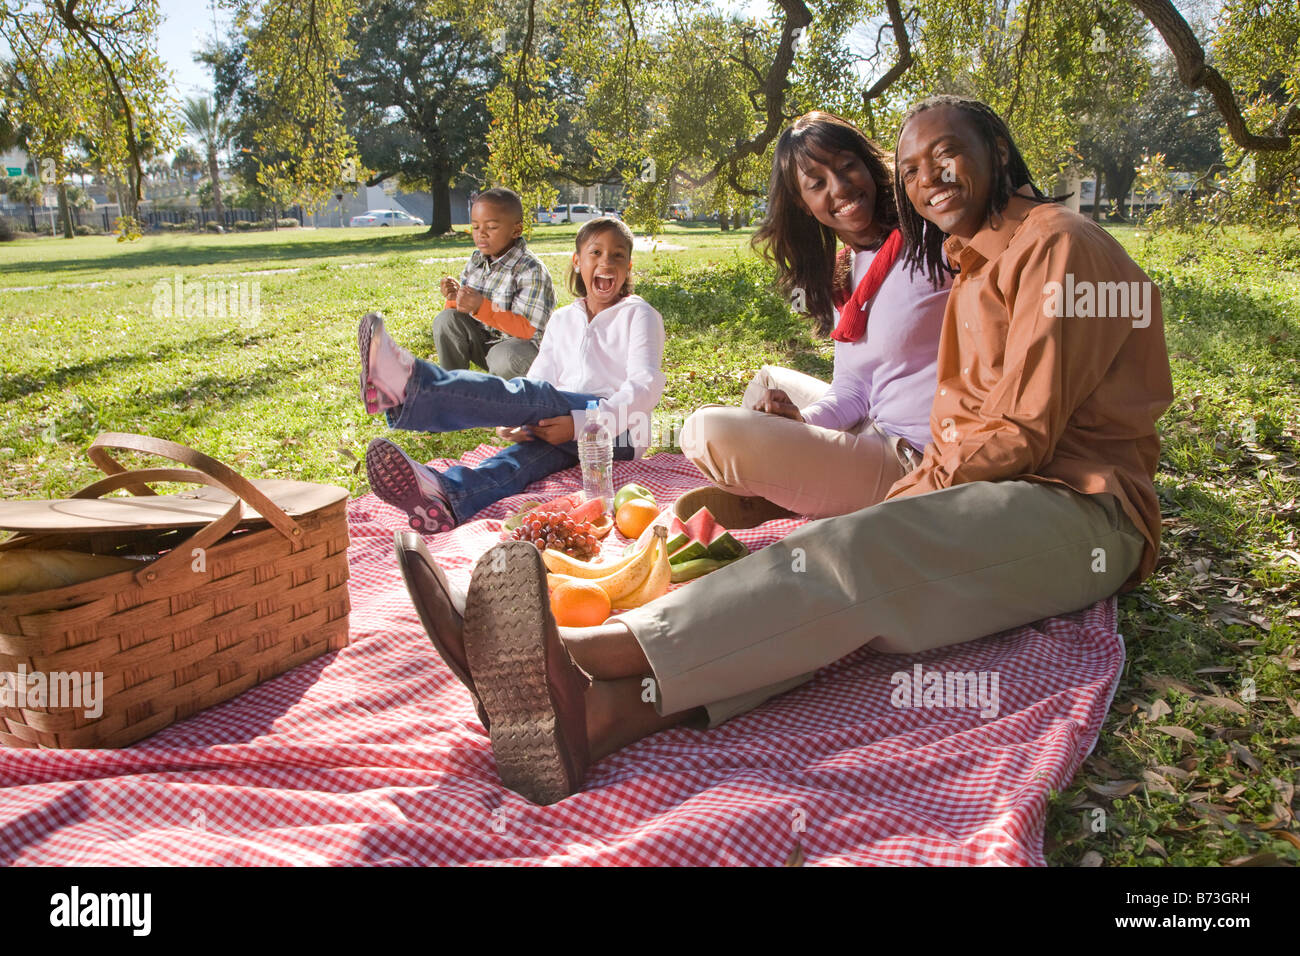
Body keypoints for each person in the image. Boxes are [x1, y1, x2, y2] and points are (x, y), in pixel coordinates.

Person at [398, 95, 1174, 806]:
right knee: (848, 575)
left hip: (1083, 509)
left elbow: (1017, 438)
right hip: (995, 487)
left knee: (857, 550)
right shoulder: (972, 265)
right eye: (910, 168)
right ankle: (600, 716)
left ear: (998, 149)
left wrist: (898, 498)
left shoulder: (1057, 247)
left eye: (946, 154)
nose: (926, 178)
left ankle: (574, 656)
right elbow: (946, 425)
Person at [681, 112, 950, 518]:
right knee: (766, 384)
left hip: (912, 460)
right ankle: (798, 489)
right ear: (802, 205)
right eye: (817, 183)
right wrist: (799, 419)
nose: (840, 188)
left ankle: (789, 495)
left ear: (868, 165)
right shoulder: (849, 269)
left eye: (846, 167)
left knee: (705, 431)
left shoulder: (933, 239)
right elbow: (853, 390)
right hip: (872, 424)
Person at [362, 216, 666, 531]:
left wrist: (578, 424)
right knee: (522, 458)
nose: (607, 261)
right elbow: (540, 377)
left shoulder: (639, 315)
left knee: (539, 398)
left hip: (624, 432)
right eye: (596, 253)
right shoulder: (563, 319)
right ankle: (447, 495)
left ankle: (409, 388)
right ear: (577, 262)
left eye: (618, 255)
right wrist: (518, 422)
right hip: (564, 425)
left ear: (629, 267)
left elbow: (644, 388)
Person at [434, 187, 555, 378]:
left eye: (491, 227)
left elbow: (527, 330)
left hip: (522, 353)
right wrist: (455, 299)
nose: (481, 234)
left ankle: (502, 401)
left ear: (516, 230)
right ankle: (452, 388)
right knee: (446, 320)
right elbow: (464, 312)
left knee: (503, 355)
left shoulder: (531, 270)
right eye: (475, 227)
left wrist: (481, 306)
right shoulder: (477, 261)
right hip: (488, 346)